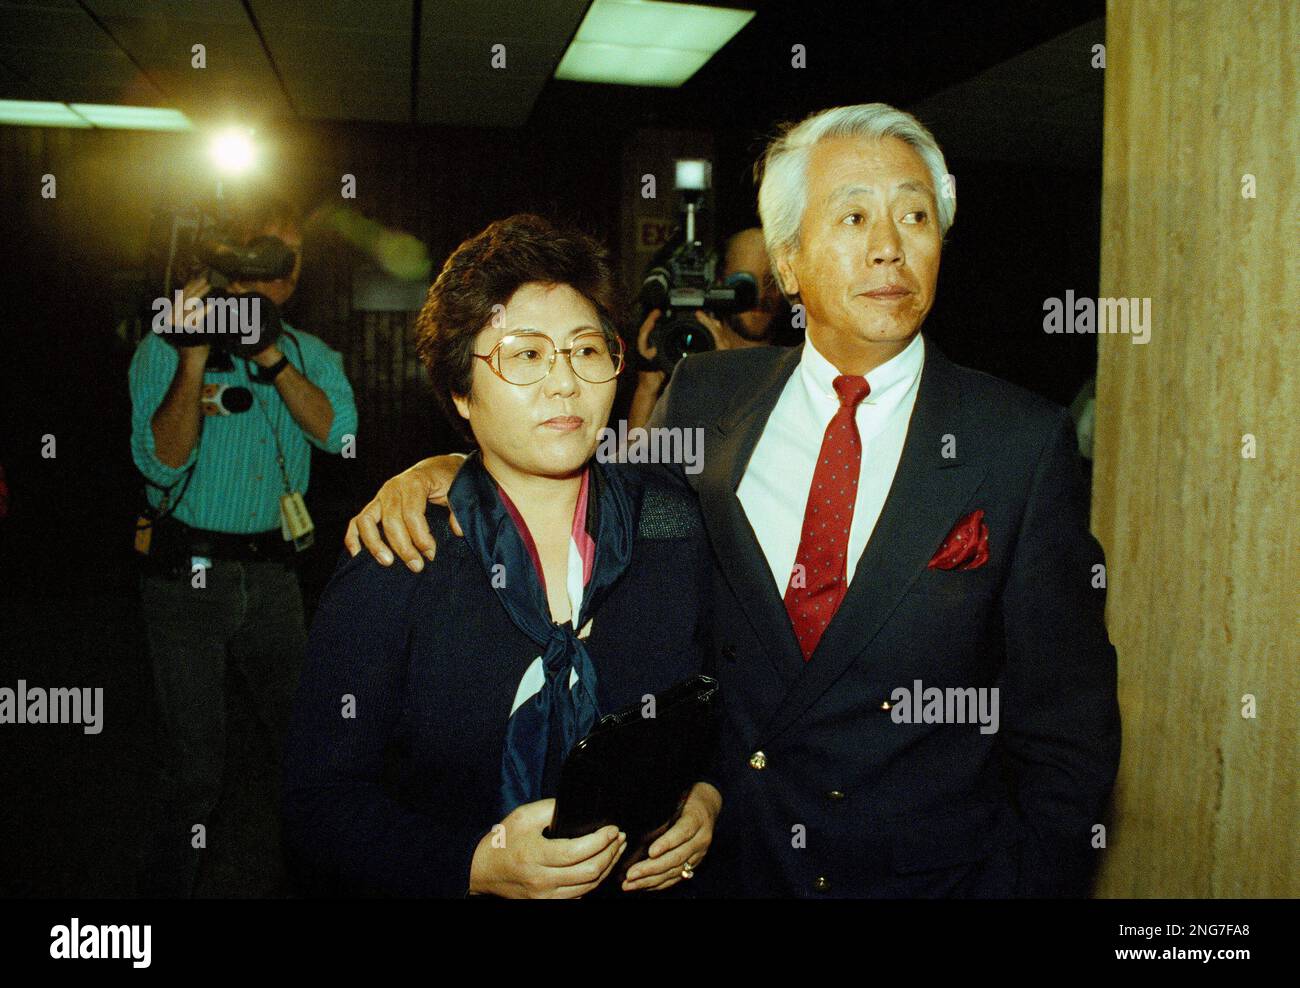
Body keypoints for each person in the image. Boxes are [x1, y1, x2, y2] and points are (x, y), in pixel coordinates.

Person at [343, 104, 1122, 898]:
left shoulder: (1020, 442)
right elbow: (580, 472)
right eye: (853, 215)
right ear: (787, 263)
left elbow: (1067, 731)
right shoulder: (708, 399)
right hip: (727, 867)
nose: (890, 245)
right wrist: (448, 466)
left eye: (915, 215)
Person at [281, 214, 721, 898]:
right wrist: (474, 866)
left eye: (585, 350)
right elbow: (318, 801)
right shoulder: (402, 556)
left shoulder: (671, 527)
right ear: (461, 390)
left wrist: (707, 797)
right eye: (524, 355)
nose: (564, 383)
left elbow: (729, 701)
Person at [129, 191, 359, 897]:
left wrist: (271, 361)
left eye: (282, 262)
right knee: (195, 768)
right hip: (185, 578)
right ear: (227, 263)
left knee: (303, 743)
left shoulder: (310, 354)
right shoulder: (161, 346)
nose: (267, 277)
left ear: (293, 279)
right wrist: (193, 356)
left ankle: (312, 879)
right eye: (254, 255)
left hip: (273, 582)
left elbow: (342, 438)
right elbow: (159, 463)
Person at [627, 227, 787, 430]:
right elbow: (633, 459)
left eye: (771, 281)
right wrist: (647, 389)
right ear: (719, 283)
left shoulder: (796, 370)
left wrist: (726, 378)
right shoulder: (686, 365)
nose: (760, 295)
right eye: (744, 285)